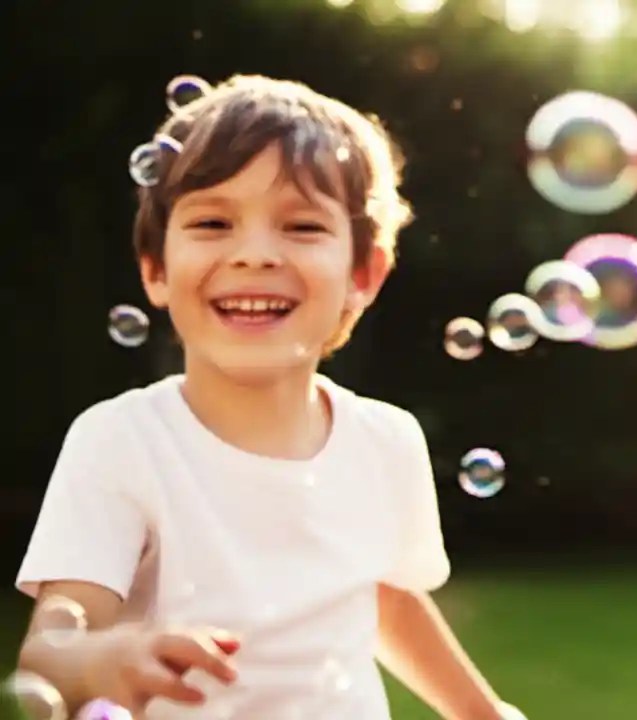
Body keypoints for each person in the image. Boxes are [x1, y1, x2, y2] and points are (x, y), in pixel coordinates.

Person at [15, 75, 526, 720]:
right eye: (212, 222)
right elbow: (52, 646)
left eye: (302, 226)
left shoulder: (387, 441)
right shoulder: (122, 440)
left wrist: (482, 712)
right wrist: (102, 659)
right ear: (155, 269)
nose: (255, 254)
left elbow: (382, 600)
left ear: (363, 275)